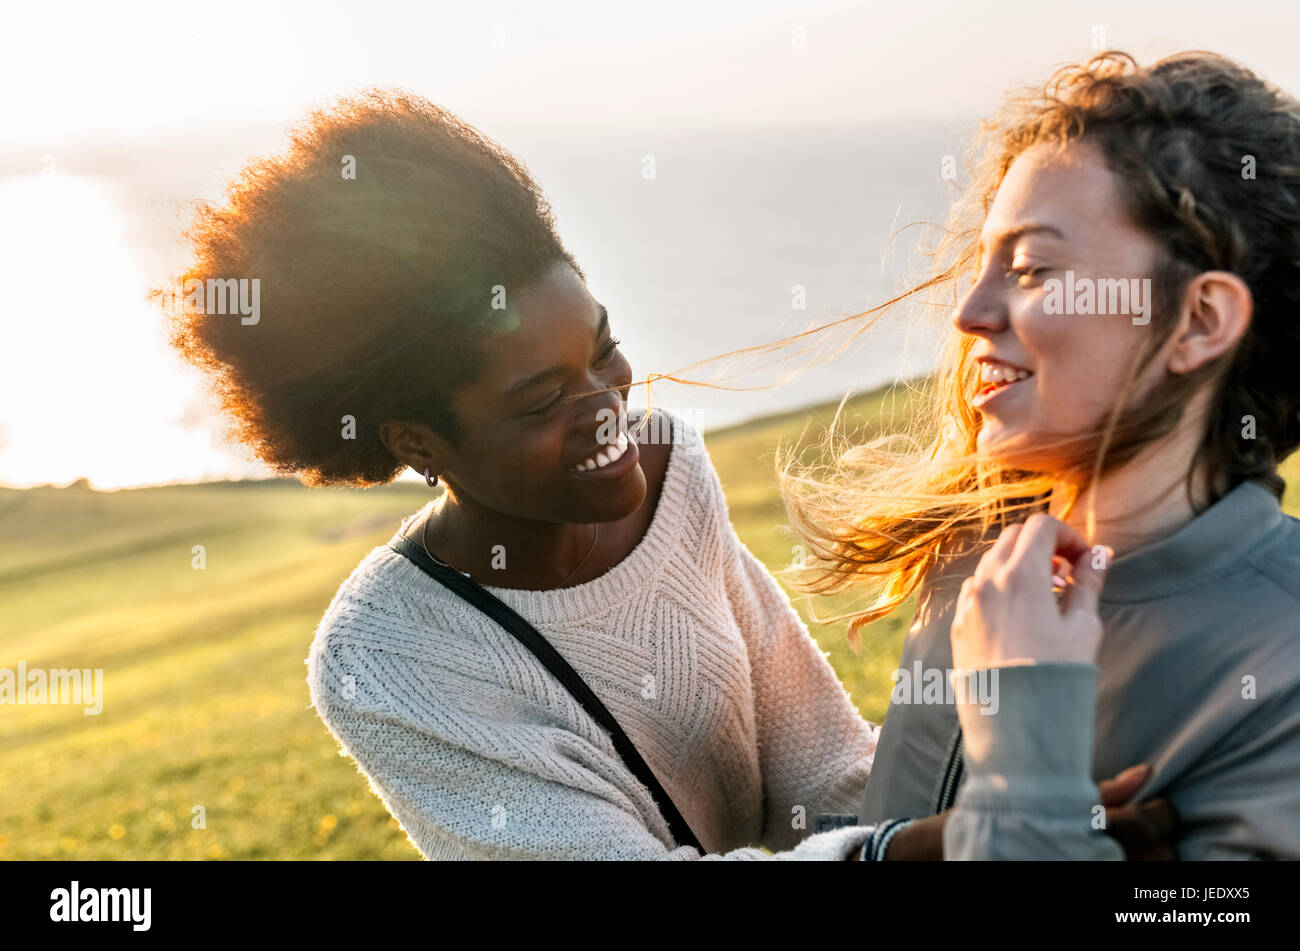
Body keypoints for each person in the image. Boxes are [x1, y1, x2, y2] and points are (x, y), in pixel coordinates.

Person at [164, 89, 1168, 861]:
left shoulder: (672, 470)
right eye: (538, 401)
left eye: (602, 353)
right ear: (418, 441)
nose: (605, 411)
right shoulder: (388, 658)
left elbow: (821, 772)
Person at [785, 50, 1300, 859]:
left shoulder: (1285, 665)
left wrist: (1026, 746)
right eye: (983, 261)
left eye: (1030, 267)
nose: (968, 311)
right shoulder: (972, 554)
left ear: (1201, 321)